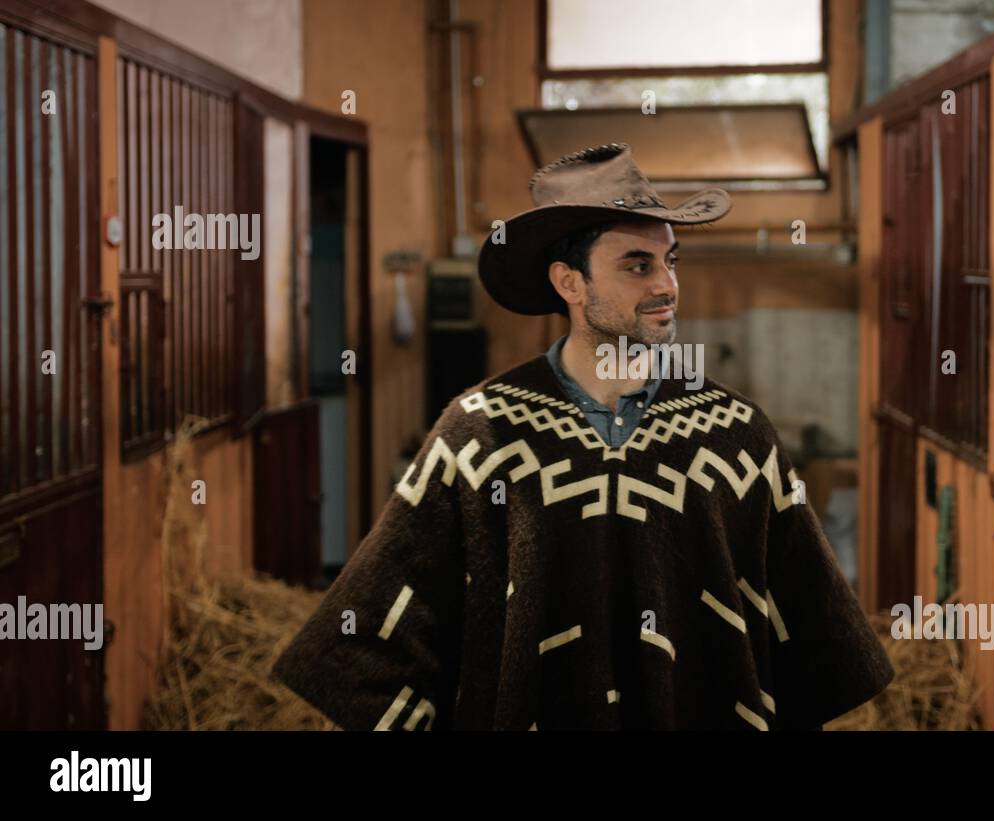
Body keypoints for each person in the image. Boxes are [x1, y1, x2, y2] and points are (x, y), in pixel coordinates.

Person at [273, 143, 894, 730]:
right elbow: (366, 638)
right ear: (570, 283)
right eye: (636, 264)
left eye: (670, 261)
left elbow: (818, 642)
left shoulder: (735, 436)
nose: (666, 286)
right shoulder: (481, 433)